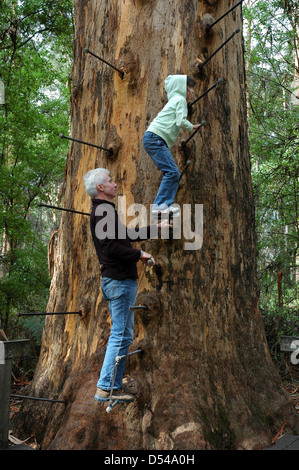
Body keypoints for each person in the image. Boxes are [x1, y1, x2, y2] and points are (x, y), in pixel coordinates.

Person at [83, 168, 169, 402]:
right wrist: (139, 254)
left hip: (120, 281)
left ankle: (114, 383)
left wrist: (154, 230)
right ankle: (105, 386)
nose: (115, 184)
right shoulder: (102, 211)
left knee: (124, 334)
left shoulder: (105, 211)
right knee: (120, 335)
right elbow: (111, 248)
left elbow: (125, 234)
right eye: (110, 181)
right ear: (100, 187)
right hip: (119, 281)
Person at [143, 74, 200, 218]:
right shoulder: (180, 100)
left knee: (170, 172)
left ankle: (164, 206)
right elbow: (181, 121)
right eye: (189, 88)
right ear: (181, 88)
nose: (192, 92)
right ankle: (160, 206)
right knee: (173, 172)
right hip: (156, 138)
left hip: (153, 138)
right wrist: (192, 126)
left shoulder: (174, 100)